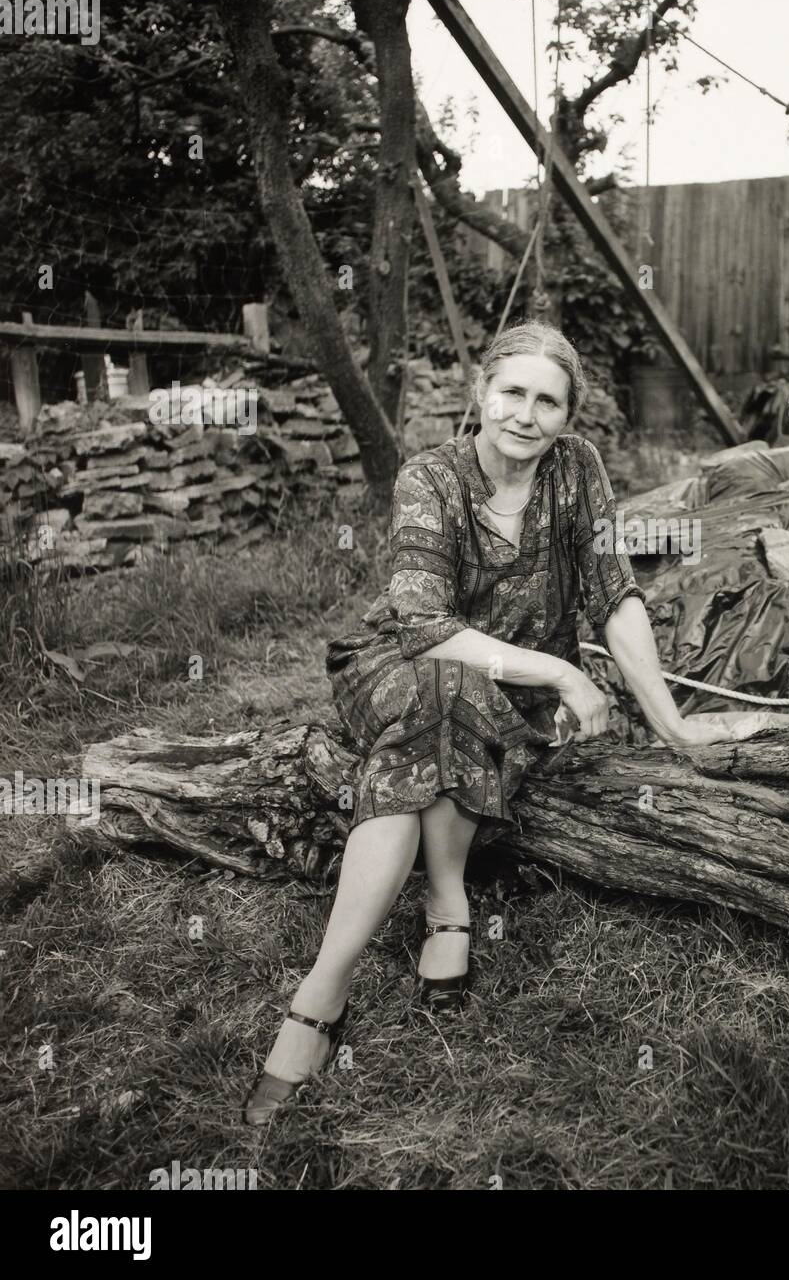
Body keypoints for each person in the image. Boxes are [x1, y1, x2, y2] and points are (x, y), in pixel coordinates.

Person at [241, 320, 724, 1125]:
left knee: (455, 702)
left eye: (548, 402)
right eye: (512, 393)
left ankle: (433, 911)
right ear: (481, 392)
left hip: (503, 691)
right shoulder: (431, 477)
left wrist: (671, 723)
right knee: (443, 690)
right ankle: (333, 983)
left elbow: (614, 592)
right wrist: (563, 671)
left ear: (568, 415)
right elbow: (426, 629)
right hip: (393, 666)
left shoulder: (577, 471)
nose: (526, 415)